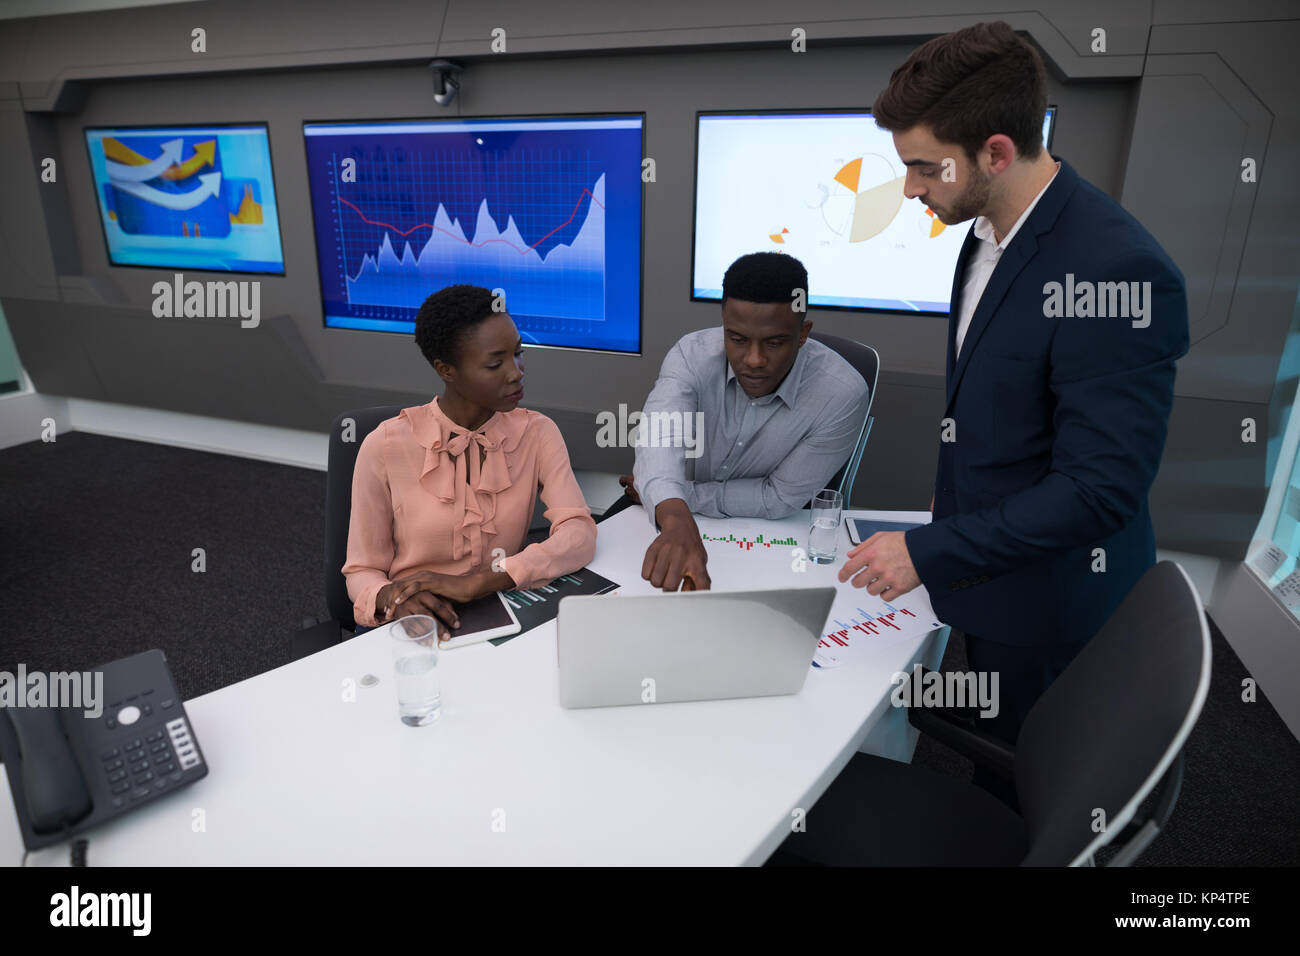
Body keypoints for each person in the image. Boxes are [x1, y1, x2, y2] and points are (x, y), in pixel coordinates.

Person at [835, 22, 1189, 806]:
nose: (912, 190)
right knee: (994, 759)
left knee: (1043, 798)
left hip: (1058, 608)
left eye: (925, 169)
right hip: (993, 580)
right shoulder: (987, 228)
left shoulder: (1117, 270)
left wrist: (933, 548)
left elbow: (1100, 491)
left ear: (995, 152)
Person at [342, 284, 597, 636]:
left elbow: (579, 534)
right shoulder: (382, 446)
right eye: (495, 363)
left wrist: (483, 580)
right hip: (412, 618)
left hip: (498, 605)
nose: (516, 372)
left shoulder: (538, 433)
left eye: (518, 353)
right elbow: (361, 571)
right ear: (446, 370)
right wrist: (391, 598)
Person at [617, 251, 870, 591]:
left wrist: (676, 498)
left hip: (771, 540)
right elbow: (661, 436)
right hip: (671, 516)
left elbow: (779, 496)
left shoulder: (842, 393)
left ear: (802, 333)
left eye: (775, 342)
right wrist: (672, 510)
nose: (754, 360)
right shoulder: (690, 355)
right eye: (737, 340)